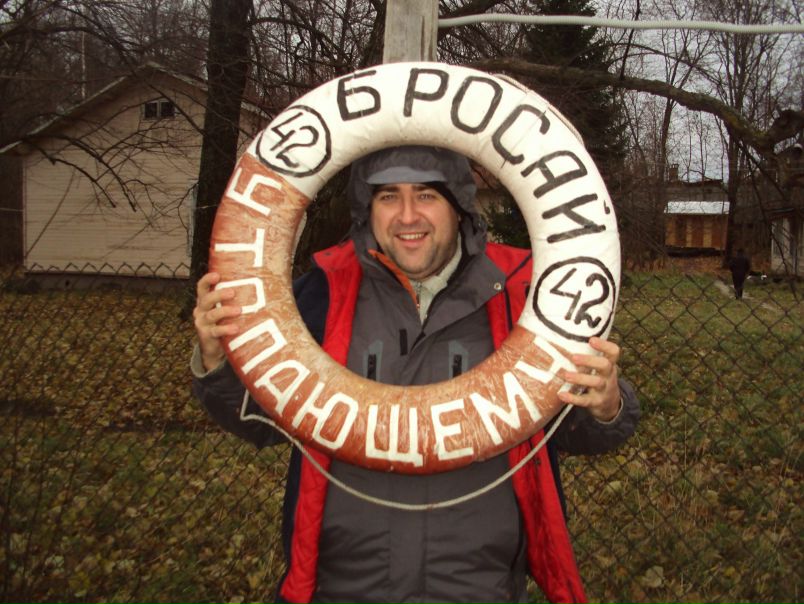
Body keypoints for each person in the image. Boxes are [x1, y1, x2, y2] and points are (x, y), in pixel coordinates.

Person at [192, 146, 640, 604]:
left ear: (458, 206)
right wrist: (219, 361)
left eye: (426, 194)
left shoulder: (523, 293)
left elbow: (576, 433)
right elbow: (259, 422)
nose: (407, 216)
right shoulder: (322, 292)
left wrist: (606, 406)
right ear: (368, 209)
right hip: (344, 587)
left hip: (479, 588)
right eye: (388, 196)